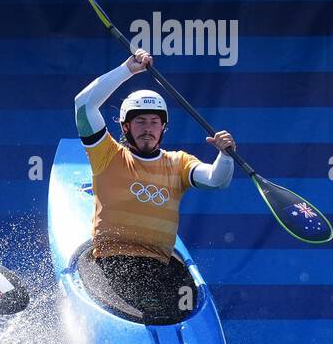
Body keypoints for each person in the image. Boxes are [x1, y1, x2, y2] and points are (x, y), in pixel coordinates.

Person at [73, 48, 236, 322]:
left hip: (160, 271)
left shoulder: (179, 163)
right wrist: (127, 70)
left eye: (154, 122)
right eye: (140, 121)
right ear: (125, 127)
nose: (147, 128)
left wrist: (226, 155)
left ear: (163, 128)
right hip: (112, 266)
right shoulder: (107, 155)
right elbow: (83, 105)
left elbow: (216, 180)